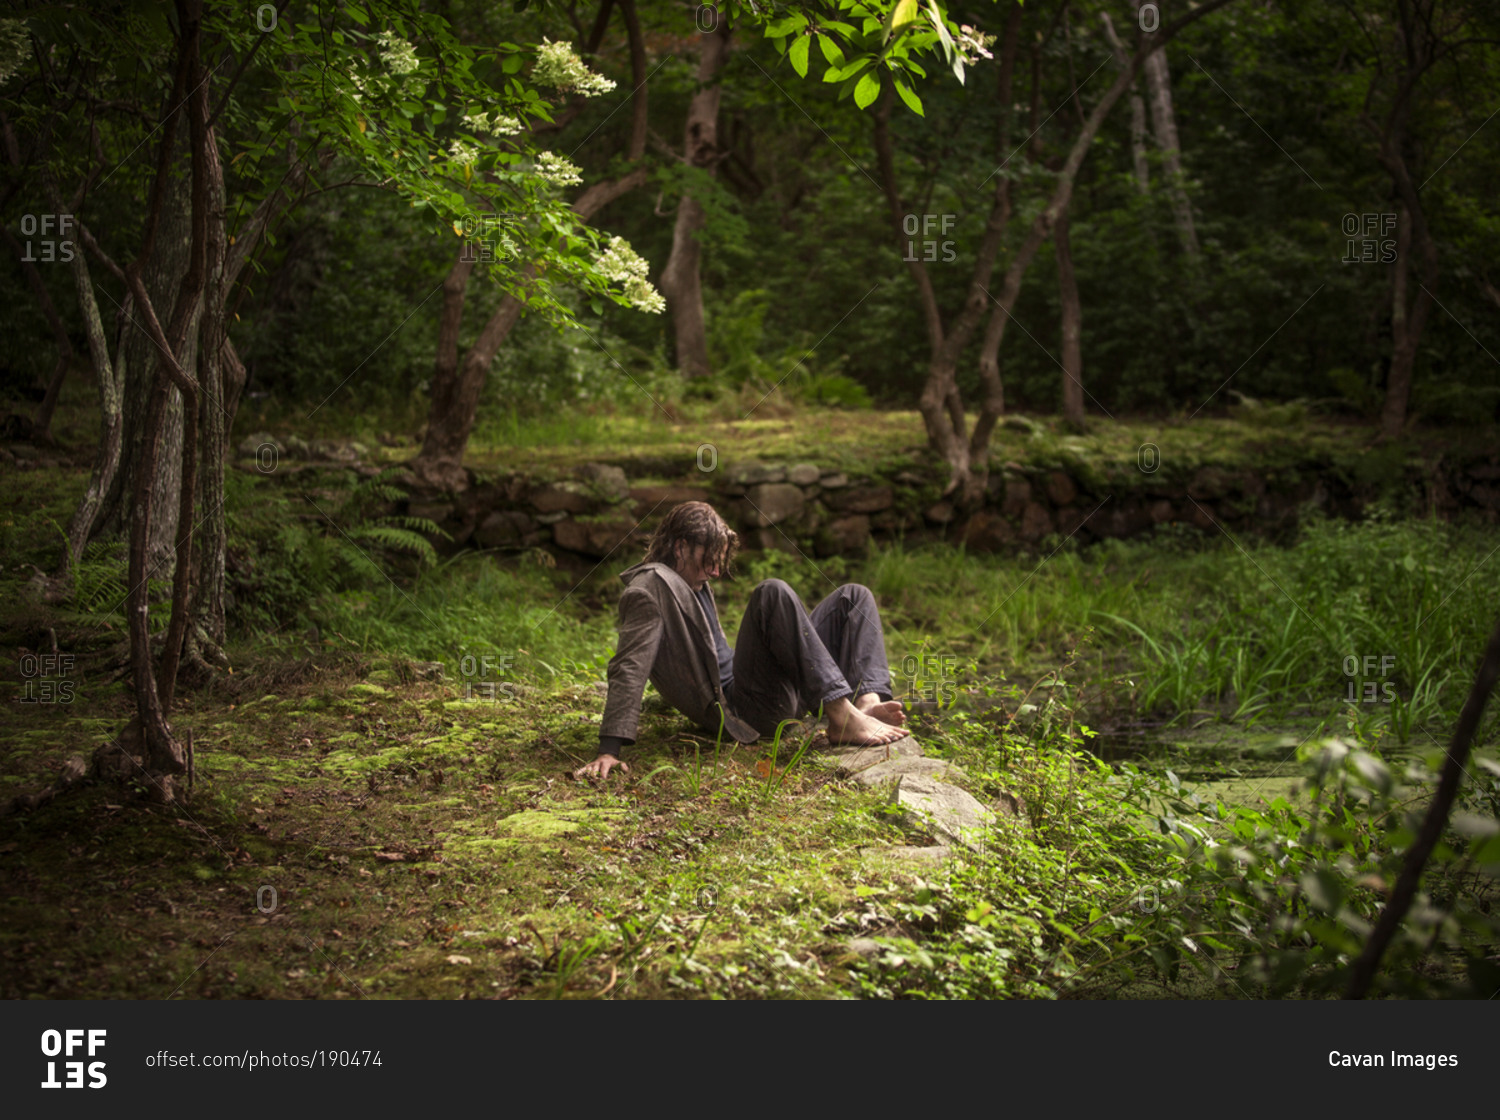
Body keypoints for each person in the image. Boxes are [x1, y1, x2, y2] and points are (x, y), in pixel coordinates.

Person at [574, 501, 907, 781]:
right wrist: (609, 749)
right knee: (771, 593)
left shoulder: (691, 582)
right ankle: (841, 715)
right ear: (681, 547)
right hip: (745, 712)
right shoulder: (648, 590)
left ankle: (865, 704)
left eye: (719, 561)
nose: (717, 571)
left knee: (853, 598)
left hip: (765, 693)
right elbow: (629, 667)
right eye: (710, 559)